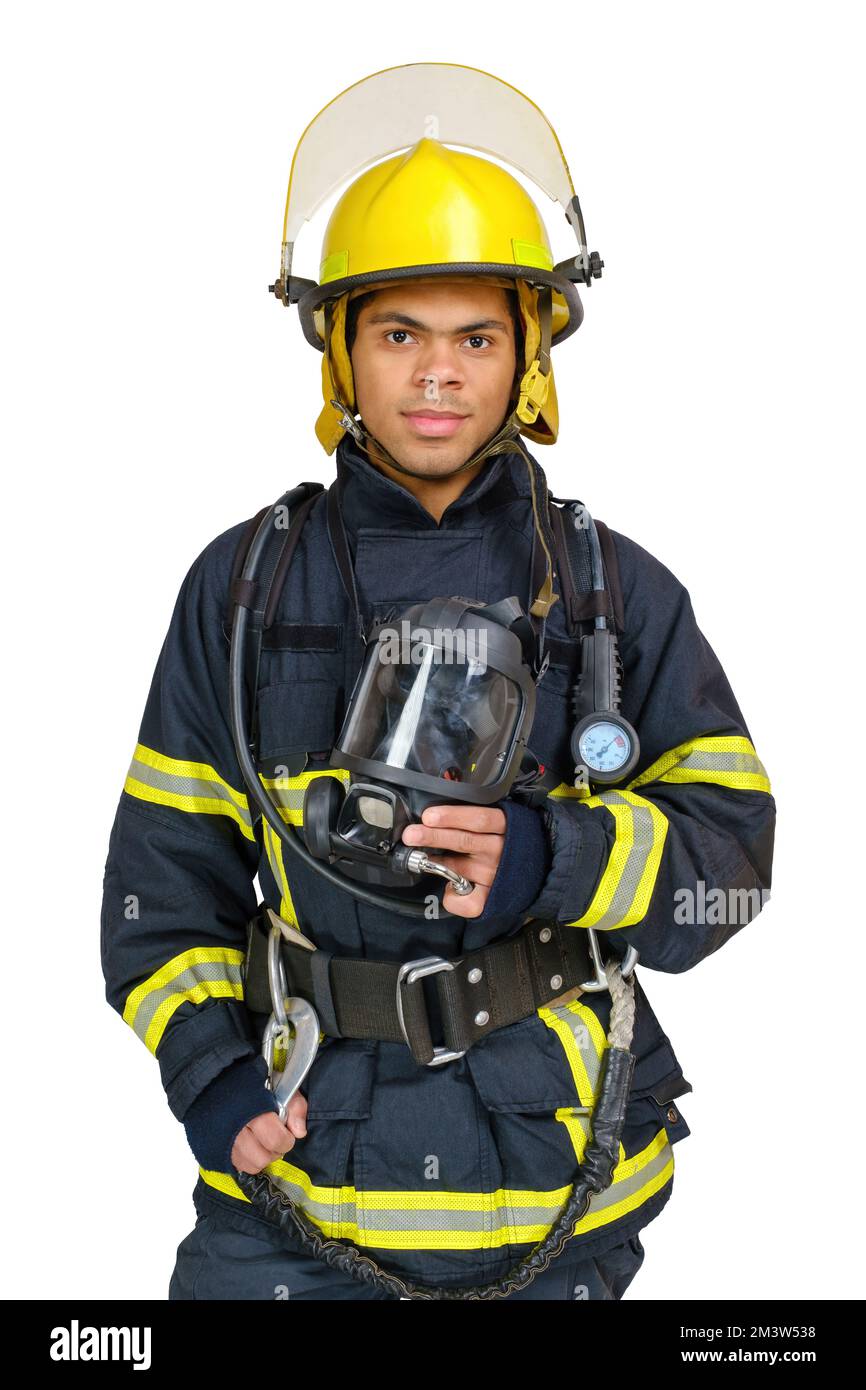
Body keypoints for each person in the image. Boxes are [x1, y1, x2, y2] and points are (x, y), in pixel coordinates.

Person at [100, 65, 775, 1302]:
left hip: (561, 1212)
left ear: (525, 352)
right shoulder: (242, 589)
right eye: (396, 332)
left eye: (473, 336)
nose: (435, 375)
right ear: (338, 353)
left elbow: (730, 881)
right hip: (292, 1206)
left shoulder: (614, 594)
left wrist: (550, 861)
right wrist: (209, 1073)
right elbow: (155, 889)